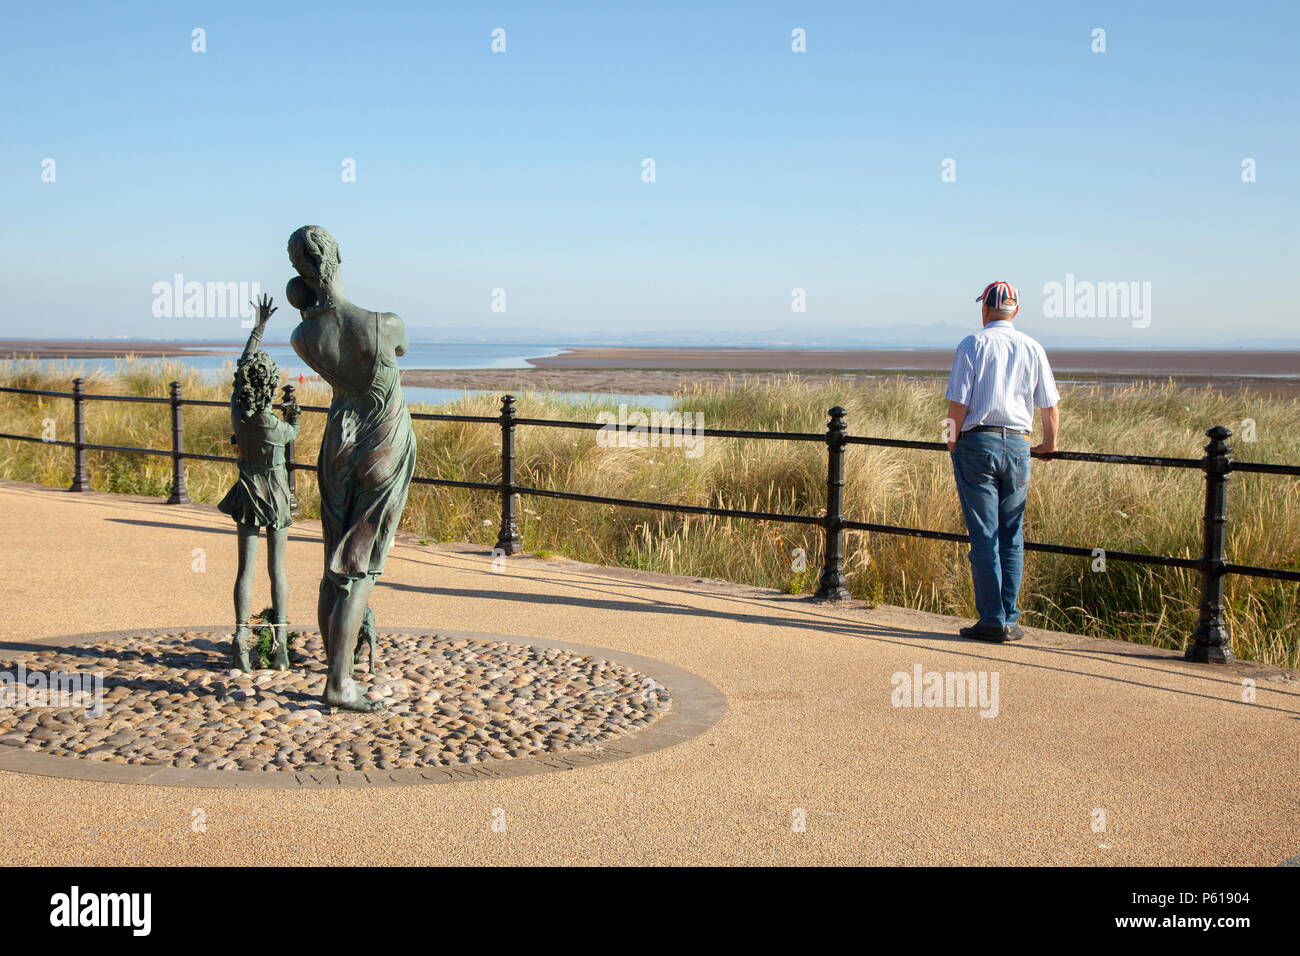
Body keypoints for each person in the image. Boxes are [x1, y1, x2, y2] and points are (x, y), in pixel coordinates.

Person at [286, 226, 416, 712]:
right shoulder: (387, 323)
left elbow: (324, 333)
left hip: (338, 440)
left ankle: (337, 665)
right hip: (383, 439)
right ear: (337, 257)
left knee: (332, 567)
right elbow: (400, 352)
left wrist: (309, 304)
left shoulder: (303, 335)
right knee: (359, 569)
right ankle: (339, 683)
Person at [945, 281, 1060, 643]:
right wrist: (1049, 445)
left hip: (978, 443)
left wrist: (952, 440)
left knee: (984, 536)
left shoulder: (972, 345)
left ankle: (992, 619)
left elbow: (958, 404)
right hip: (1019, 446)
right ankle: (1010, 618)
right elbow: (1049, 406)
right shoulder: (1033, 347)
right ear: (1016, 311)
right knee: (1012, 535)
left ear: (985, 309)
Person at [218, 294, 300, 671]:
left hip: (248, 492)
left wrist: (259, 328)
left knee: (244, 570)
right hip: (277, 495)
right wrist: (294, 415)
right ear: (269, 386)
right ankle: (280, 643)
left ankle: (239, 637)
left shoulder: (239, 412)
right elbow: (293, 431)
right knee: (277, 570)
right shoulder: (276, 427)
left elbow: (243, 363)